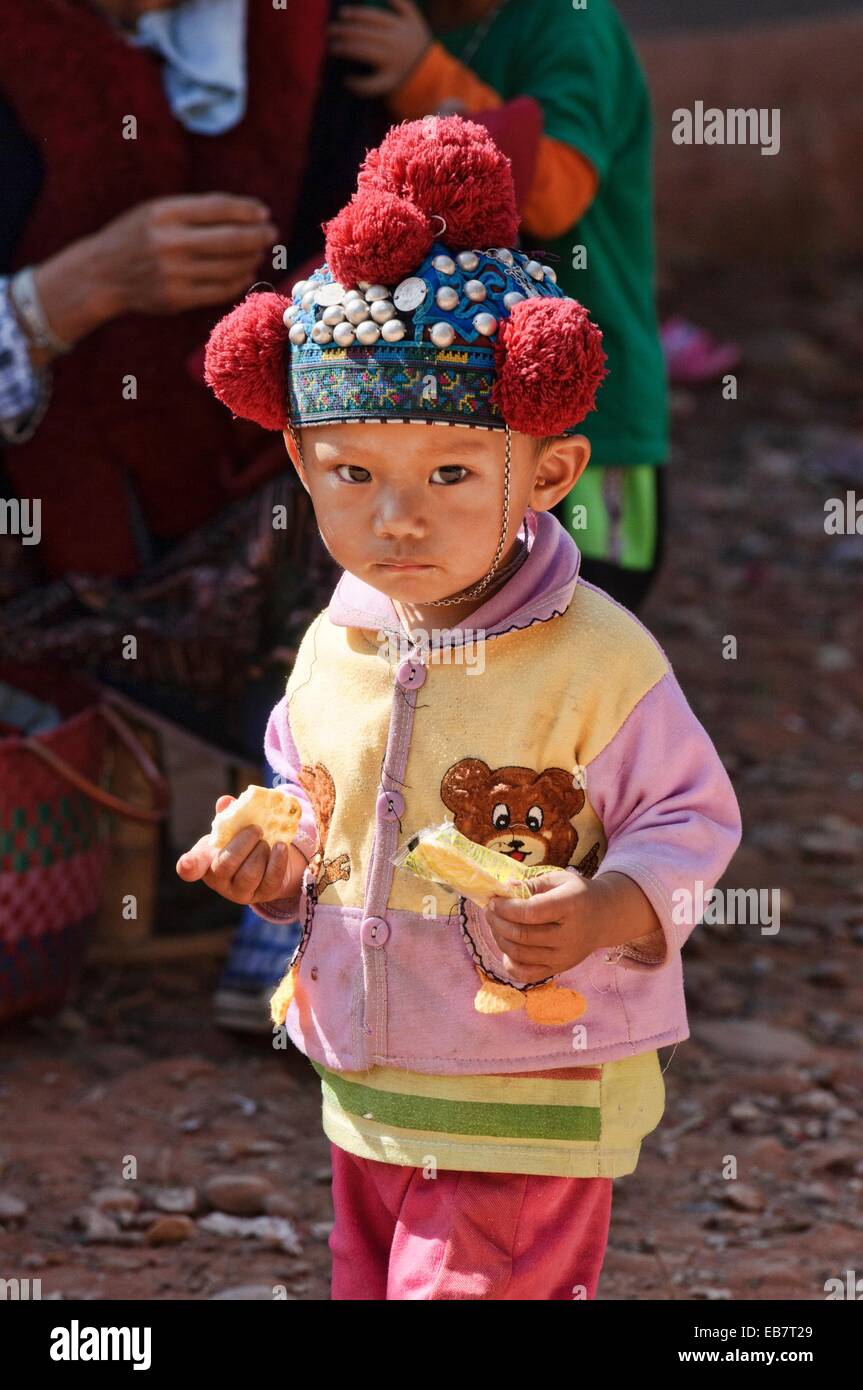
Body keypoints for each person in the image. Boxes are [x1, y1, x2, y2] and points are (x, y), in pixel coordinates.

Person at [177, 119, 741, 1301]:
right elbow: (312, 817)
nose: (397, 519)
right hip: (367, 1093)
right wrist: (268, 862)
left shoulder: (598, 659)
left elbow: (691, 821)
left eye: (449, 473)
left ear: (547, 475)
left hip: (528, 1095)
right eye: (352, 473)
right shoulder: (331, 648)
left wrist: (606, 909)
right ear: (300, 465)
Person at [327, 0, 670, 612]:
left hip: (589, 402)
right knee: (449, 613)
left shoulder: (571, 22)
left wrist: (424, 76)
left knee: (585, 607)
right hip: (445, 415)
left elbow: (553, 194)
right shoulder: (387, 17)